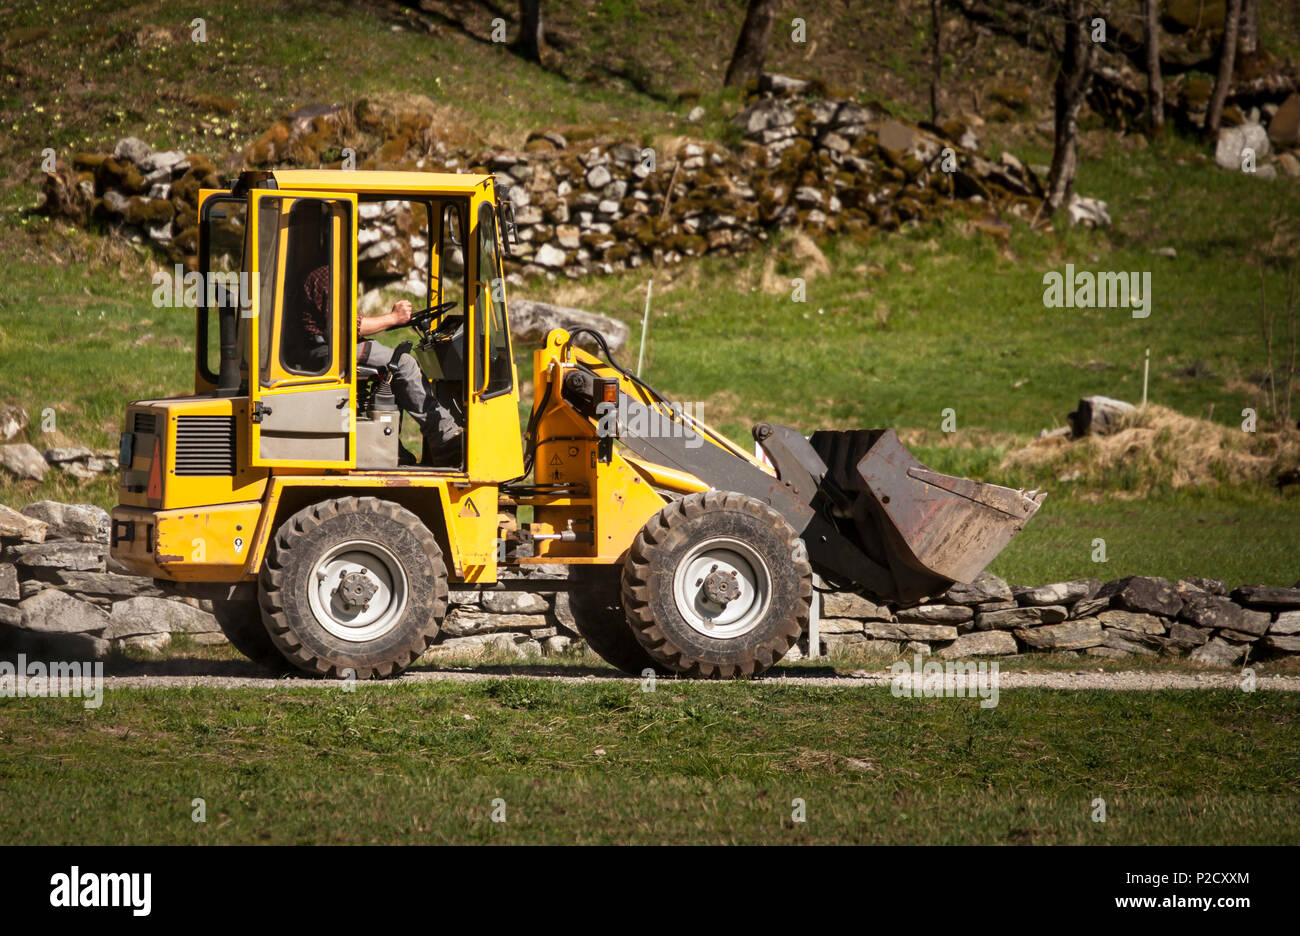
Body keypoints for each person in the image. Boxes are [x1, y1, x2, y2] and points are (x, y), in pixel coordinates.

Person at [300, 265, 462, 463]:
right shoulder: (327, 274)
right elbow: (347, 326)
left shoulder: (327, 269)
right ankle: (445, 438)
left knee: (392, 368)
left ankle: (393, 450)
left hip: (325, 348)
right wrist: (393, 318)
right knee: (403, 363)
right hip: (329, 350)